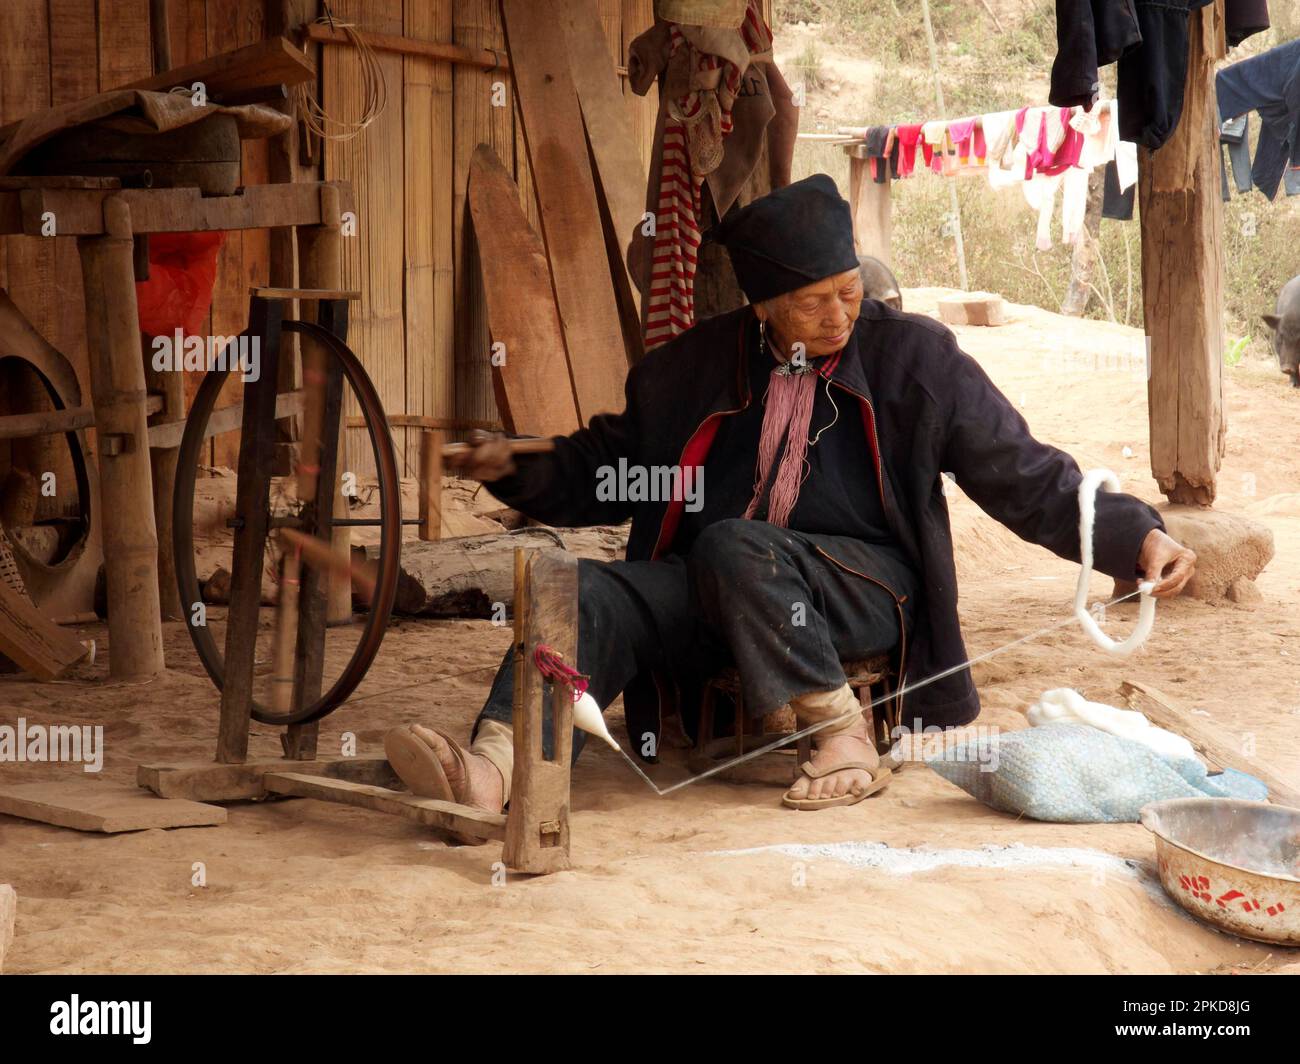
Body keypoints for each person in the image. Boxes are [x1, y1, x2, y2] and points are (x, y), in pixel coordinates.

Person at [384, 174, 1195, 829]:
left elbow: (1023, 472)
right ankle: (493, 769)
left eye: (850, 293)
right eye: (815, 303)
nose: (841, 314)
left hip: (864, 588)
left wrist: (1135, 538)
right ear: (763, 306)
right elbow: (604, 467)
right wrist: (504, 462)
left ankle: (839, 736)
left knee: (740, 544)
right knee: (584, 587)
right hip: (721, 580)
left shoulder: (915, 360)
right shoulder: (688, 372)